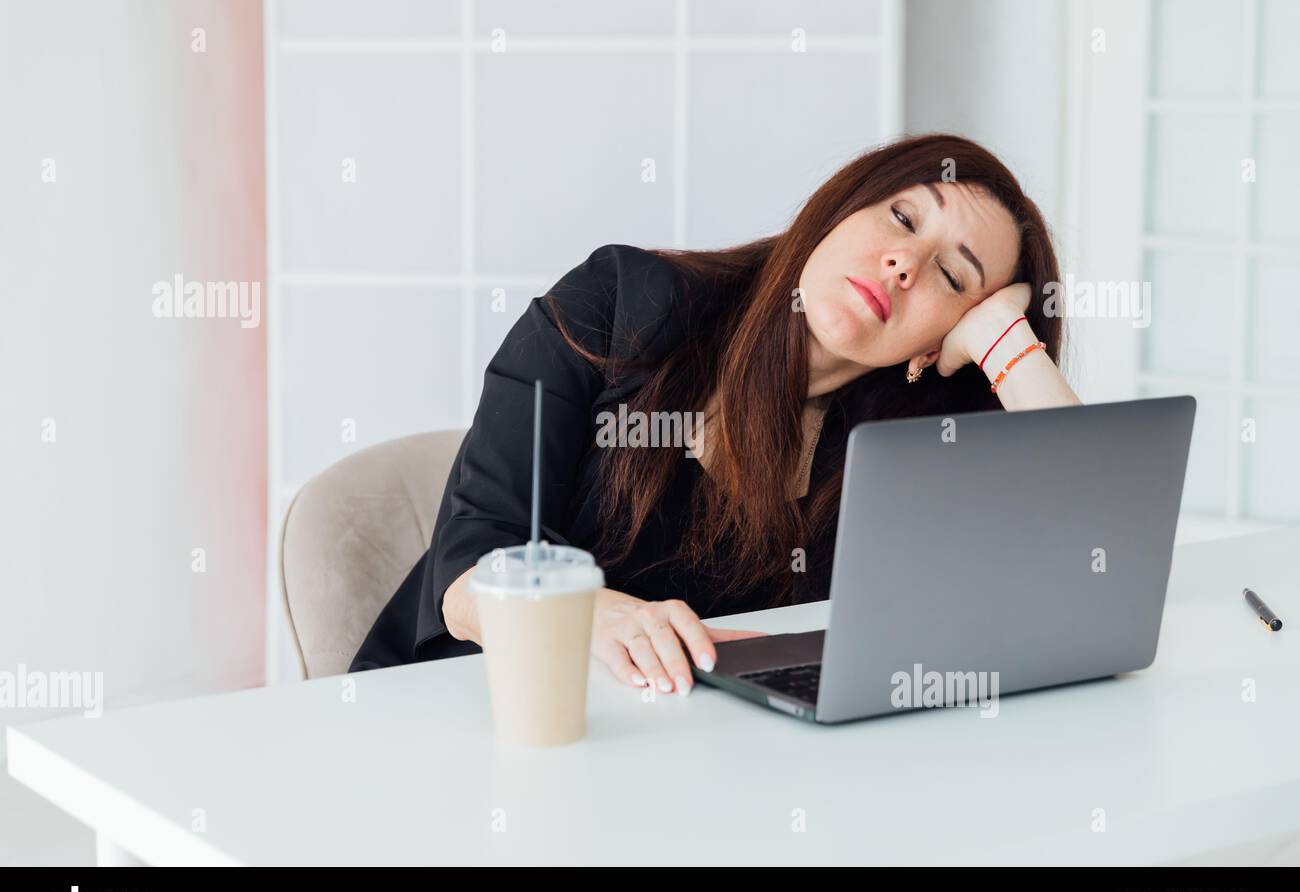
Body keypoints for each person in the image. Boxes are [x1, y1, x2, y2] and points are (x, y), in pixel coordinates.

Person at [349, 133, 1081, 691]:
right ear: (836, 209)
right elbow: (466, 579)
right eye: (900, 217)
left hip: (672, 767)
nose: (904, 264)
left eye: (952, 277)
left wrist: (1009, 348)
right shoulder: (623, 306)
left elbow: (1076, 572)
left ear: (938, 346)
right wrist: (597, 616)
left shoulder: (899, 444)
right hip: (459, 711)